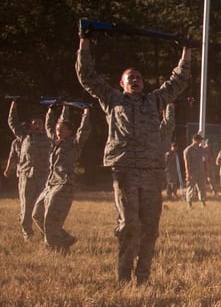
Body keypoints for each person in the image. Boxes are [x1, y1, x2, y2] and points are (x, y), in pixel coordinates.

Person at [76, 29, 191, 285]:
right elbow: (87, 76)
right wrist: (84, 41)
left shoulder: (155, 100)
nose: (136, 80)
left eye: (138, 77)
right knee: (129, 224)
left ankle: (143, 277)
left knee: (150, 227)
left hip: (151, 171)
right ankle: (124, 277)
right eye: (131, 78)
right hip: (125, 170)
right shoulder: (113, 100)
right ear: (122, 84)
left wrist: (186, 50)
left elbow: (179, 81)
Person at [32, 103, 93, 252]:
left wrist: (86, 112)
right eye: (57, 129)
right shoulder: (54, 143)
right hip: (50, 184)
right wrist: (50, 110)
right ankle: (65, 239)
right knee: (37, 214)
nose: (58, 132)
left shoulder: (74, 143)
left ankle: (55, 248)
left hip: (63, 184)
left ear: (70, 132)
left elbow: (84, 130)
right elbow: (49, 126)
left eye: (62, 130)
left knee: (51, 219)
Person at [7, 102, 51, 241]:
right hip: (27, 177)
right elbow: (12, 123)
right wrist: (14, 105)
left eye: (40, 123)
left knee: (42, 207)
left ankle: (46, 234)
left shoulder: (49, 139)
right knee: (26, 207)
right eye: (34, 123)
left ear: (44, 125)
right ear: (31, 126)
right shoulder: (24, 137)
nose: (37, 125)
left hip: (43, 177)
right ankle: (28, 234)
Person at [182, 133, 211, 207]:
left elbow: (205, 161)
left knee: (202, 188)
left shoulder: (202, 150)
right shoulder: (188, 150)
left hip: (201, 172)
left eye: (200, 140)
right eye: (198, 140)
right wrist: (188, 173)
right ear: (194, 140)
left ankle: (203, 202)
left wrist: (207, 172)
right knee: (190, 188)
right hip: (192, 172)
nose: (199, 142)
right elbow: (186, 162)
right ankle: (189, 203)